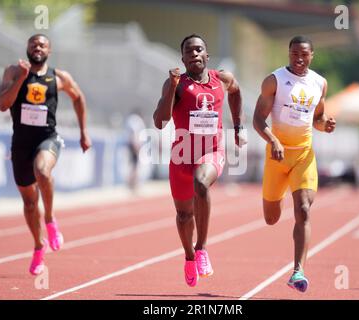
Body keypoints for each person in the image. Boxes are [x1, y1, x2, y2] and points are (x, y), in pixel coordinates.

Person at [153, 34, 246, 287]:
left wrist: (238, 127)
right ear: (182, 58)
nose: (194, 54)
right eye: (188, 51)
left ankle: (202, 249)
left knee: (201, 183)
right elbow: (160, 122)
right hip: (181, 156)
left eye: (199, 50)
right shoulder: (177, 84)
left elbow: (236, 92)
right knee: (184, 216)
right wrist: (172, 87)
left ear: (207, 55)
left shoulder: (222, 79)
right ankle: (189, 257)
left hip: (212, 151)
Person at [0, 34, 91, 275]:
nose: (37, 48)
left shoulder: (60, 77)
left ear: (49, 50)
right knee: (29, 203)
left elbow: (78, 97)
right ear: (27, 48)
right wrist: (20, 78)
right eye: (33, 45)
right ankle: (39, 247)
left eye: (42, 45)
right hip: (20, 144)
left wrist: (84, 132)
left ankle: (49, 218)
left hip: (47, 138)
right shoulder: (12, 71)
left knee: (42, 170)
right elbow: (2, 104)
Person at [253, 35, 336, 293]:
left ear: (312, 55)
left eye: (304, 55)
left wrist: (325, 125)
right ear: (288, 54)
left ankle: (298, 270)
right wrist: (274, 140)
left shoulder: (320, 84)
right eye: (294, 55)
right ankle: (273, 202)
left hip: (303, 156)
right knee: (271, 217)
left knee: (303, 209)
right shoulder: (274, 81)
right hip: (276, 156)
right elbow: (257, 119)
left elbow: (318, 118)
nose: (299, 59)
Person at [124, 109, 146, 191]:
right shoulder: (136, 120)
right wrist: (136, 144)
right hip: (134, 143)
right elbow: (134, 132)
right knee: (135, 164)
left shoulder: (130, 119)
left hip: (130, 143)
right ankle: (133, 183)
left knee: (132, 163)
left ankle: (132, 183)